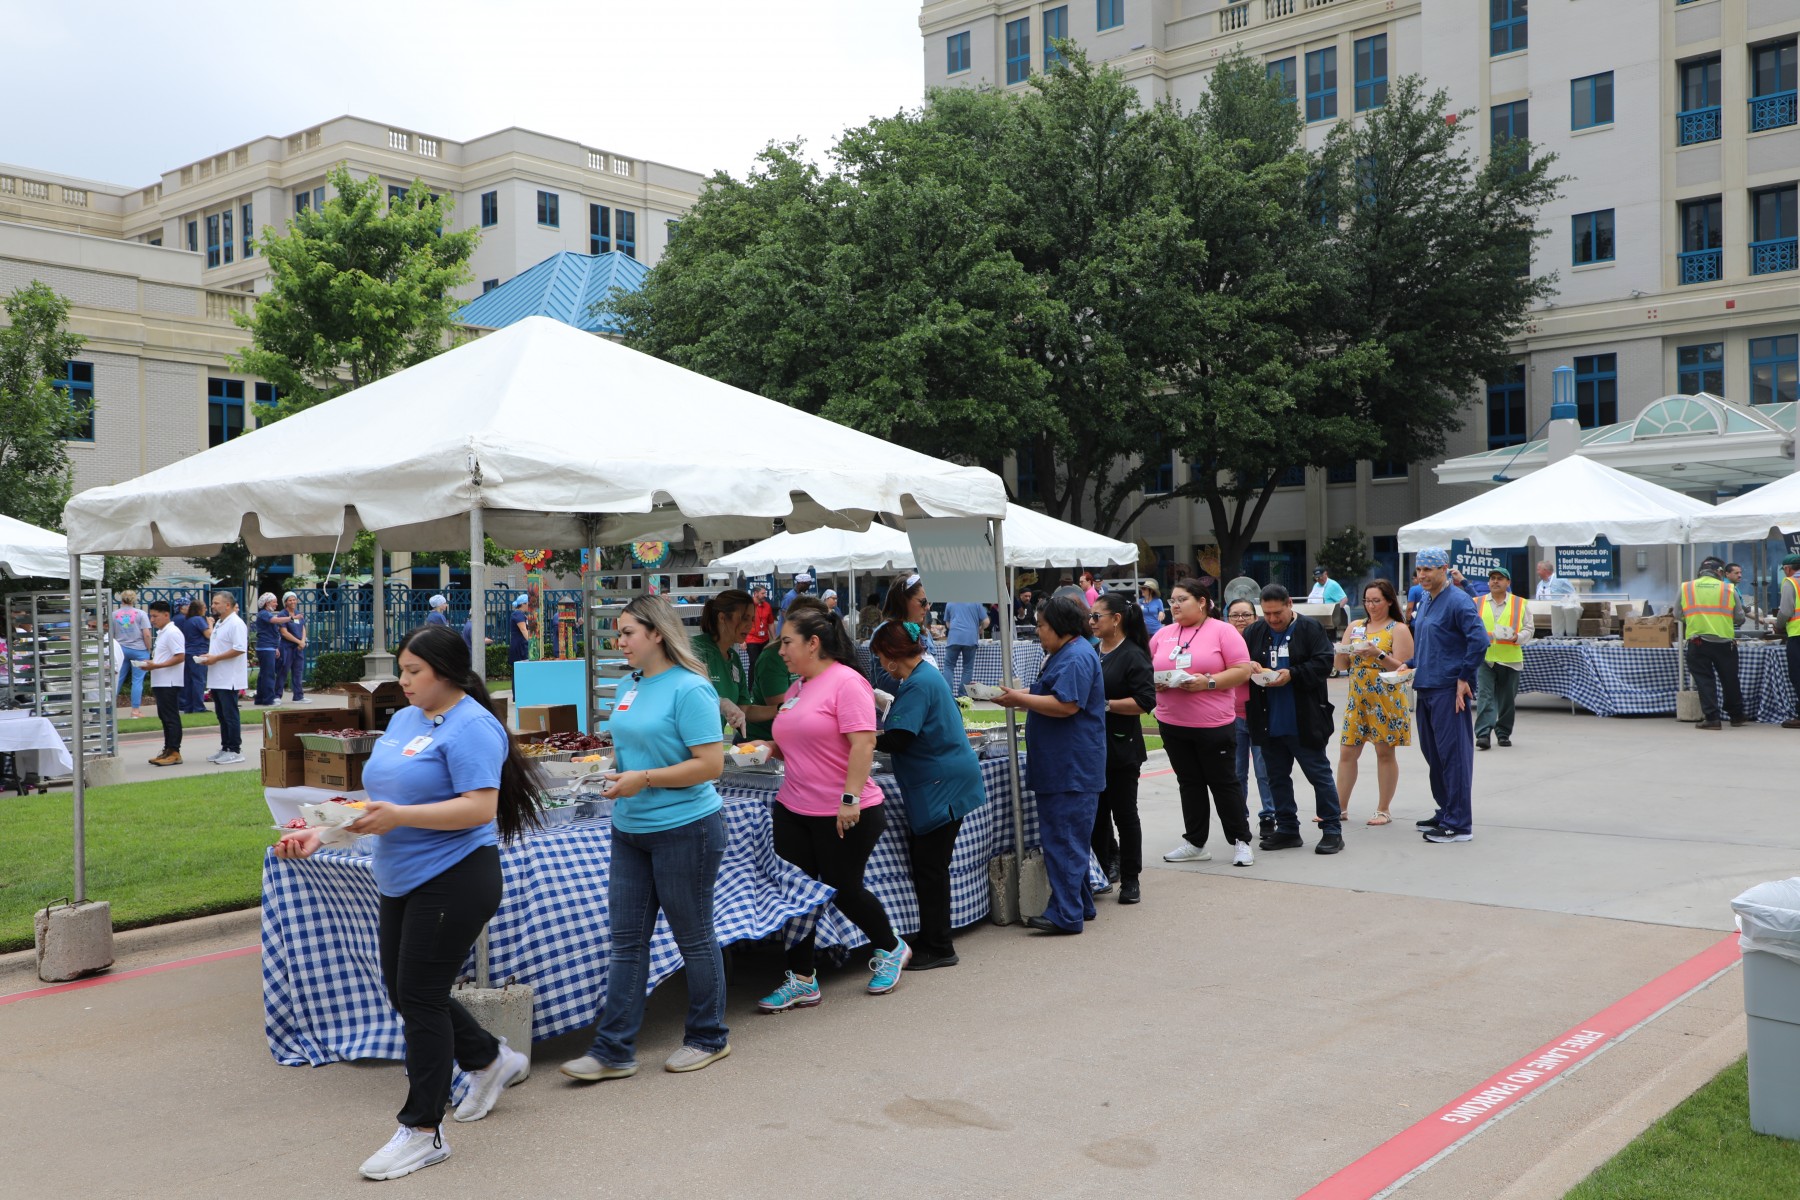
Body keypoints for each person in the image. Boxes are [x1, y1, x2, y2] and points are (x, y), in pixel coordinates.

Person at [274, 624, 543, 1180]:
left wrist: (400, 817)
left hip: (456, 876)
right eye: (402, 670)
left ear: (447, 672)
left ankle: (423, 1130)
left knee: (418, 996)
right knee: (405, 990)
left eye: (413, 671)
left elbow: (477, 809)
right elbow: (382, 800)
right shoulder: (403, 719)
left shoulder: (474, 727)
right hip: (401, 875)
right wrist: (321, 832)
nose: (403, 681)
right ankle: (490, 1060)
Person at [560, 594, 732, 1086]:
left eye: (627, 632)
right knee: (626, 943)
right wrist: (607, 772)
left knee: (693, 937)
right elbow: (631, 751)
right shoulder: (628, 685)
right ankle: (613, 1050)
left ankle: (708, 1037)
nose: (620, 642)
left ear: (657, 633)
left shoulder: (691, 689)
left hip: (686, 829)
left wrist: (646, 779)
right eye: (618, 633)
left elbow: (710, 766)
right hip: (630, 828)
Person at [755, 604, 910, 1012]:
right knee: (797, 893)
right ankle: (802, 979)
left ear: (814, 642)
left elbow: (864, 743)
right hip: (793, 807)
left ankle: (892, 947)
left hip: (846, 810)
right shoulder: (799, 687)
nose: (780, 651)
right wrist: (766, 748)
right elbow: (794, 737)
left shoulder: (848, 682)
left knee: (844, 889)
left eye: (786, 642)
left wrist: (849, 800)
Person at [870, 620, 987, 967]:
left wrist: (858, 736)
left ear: (892, 656)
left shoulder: (919, 684)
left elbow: (899, 739)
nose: (879, 664)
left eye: (879, 656)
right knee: (930, 865)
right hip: (945, 780)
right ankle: (933, 937)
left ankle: (939, 946)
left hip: (943, 784)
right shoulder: (922, 677)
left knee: (931, 867)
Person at [997, 596, 1106, 933]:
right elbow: (1054, 693)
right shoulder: (1067, 652)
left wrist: (1019, 700)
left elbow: (1066, 705)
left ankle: (1066, 913)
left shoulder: (1075, 656)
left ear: (1060, 627)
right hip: (1064, 763)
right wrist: (1022, 695)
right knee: (1069, 839)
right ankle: (1080, 904)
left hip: (1070, 766)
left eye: (1042, 625)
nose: (1039, 631)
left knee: (1064, 841)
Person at [1152, 578, 1256, 867]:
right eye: (1171, 599)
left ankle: (1241, 840)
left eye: (1181, 599)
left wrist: (1208, 682)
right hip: (1172, 723)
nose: (1174, 605)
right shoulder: (1164, 634)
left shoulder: (1223, 631)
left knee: (1224, 783)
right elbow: (1148, 668)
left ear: (1201, 602)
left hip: (1213, 725)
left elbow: (1242, 670)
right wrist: (1157, 683)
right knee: (1189, 783)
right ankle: (1195, 842)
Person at [1242, 585, 1343, 855]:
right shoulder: (1255, 631)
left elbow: (1324, 663)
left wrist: (1293, 674)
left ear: (1289, 604)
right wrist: (1249, 665)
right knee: (1276, 778)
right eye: (1267, 613)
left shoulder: (1309, 629)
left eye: (1278, 612)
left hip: (1304, 719)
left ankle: (1332, 829)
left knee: (1319, 775)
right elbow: (1240, 661)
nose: (1273, 619)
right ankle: (1287, 829)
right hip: (1267, 719)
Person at [1404, 548, 1490, 843]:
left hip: (1447, 689)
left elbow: (1479, 640)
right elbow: (1433, 641)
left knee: (1454, 757)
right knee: (1435, 756)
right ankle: (1445, 811)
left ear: (1444, 569)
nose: (1423, 575)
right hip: (1426, 686)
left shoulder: (1457, 600)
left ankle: (1459, 823)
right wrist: (1410, 664)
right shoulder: (1427, 600)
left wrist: (1464, 676)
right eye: (1419, 570)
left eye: (1429, 569)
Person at [1088, 591, 1156, 904]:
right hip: (1092, 748)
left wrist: (1105, 705)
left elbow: (1144, 702)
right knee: (1098, 816)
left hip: (1121, 750)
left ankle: (1131, 879)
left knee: (1124, 816)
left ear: (1116, 620)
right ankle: (1102, 872)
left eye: (1096, 617)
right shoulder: (1093, 651)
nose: (1091, 622)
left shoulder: (1132, 654)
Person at [1334, 581, 1413, 826]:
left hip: (1385, 698)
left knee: (1384, 752)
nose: (1371, 606)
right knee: (1347, 751)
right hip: (1358, 698)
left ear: (1389, 601)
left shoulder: (1398, 628)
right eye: (1367, 601)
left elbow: (1403, 666)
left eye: (1376, 600)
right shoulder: (1356, 626)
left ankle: (1383, 809)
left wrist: (1377, 654)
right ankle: (1338, 807)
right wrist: (1342, 651)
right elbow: (1340, 666)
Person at [693, 589, 778, 739]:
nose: (750, 625)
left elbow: (744, 708)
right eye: (744, 618)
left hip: (709, 745)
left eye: (752, 619)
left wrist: (779, 709)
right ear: (722, 617)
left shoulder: (734, 659)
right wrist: (722, 703)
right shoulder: (695, 650)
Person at [1226, 599, 1275, 839]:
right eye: (1235, 615)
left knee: (1263, 769)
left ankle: (1269, 815)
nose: (1241, 619)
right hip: (1230, 715)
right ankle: (1239, 818)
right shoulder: (1223, 641)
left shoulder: (1263, 639)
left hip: (1258, 714)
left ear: (1256, 618)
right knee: (1236, 772)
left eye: (1246, 614)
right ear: (1228, 619)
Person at [1679, 555, 1747, 731]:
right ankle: (1736, 716)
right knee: (1730, 679)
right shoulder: (1728, 588)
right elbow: (1740, 617)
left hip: (1698, 641)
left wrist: (1696, 620)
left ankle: (1712, 718)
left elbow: (1677, 614)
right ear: (1719, 572)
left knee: (1704, 680)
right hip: (1725, 642)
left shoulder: (1686, 587)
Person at [1474, 568, 1531, 751]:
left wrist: (1518, 637)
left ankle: (1503, 733)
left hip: (1510, 659)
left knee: (1507, 700)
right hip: (1485, 657)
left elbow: (1529, 628)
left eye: (1500, 579)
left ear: (1508, 583)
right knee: (1485, 696)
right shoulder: (1477, 603)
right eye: (1492, 578)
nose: (1495, 581)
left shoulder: (1520, 603)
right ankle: (1483, 734)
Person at [195, 592, 248, 765]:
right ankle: (225, 747)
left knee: (230, 714)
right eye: (213, 603)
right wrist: (209, 657)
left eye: (217, 603)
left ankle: (235, 749)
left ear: (227, 605)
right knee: (222, 714)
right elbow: (219, 647)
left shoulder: (236, 623)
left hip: (229, 677)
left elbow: (239, 649)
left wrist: (215, 658)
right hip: (217, 676)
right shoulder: (219, 623)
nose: (213, 606)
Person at [868, 574, 937, 696]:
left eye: (929, 602)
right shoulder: (885, 633)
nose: (927, 607)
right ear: (903, 600)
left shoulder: (923, 632)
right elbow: (885, 684)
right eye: (923, 602)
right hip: (897, 710)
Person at [145, 601, 187, 767]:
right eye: (151, 616)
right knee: (164, 717)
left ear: (166, 615)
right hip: (161, 680)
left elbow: (180, 656)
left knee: (171, 717)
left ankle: (175, 751)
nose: (152, 620)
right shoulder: (163, 632)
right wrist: (151, 663)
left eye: (155, 616)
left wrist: (156, 665)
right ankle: (168, 749)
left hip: (169, 681)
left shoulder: (173, 632)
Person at [111, 590, 153, 718]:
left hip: (121, 649)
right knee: (137, 681)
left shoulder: (114, 614)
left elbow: (111, 634)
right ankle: (135, 710)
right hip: (139, 649)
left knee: (117, 679)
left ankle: (110, 709)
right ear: (134, 600)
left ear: (121, 599)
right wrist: (148, 649)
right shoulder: (141, 614)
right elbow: (146, 634)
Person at [942, 599, 987, 697]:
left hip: (954, 637)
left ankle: (947, 695)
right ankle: (963, 695)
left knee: (949, 667)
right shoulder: (977, 602)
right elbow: (986, 621)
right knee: (967, 668)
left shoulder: (950, 602)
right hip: (970, 638)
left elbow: (948, 624)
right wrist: (980, 628)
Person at [252, 592, 290, 706]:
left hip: (269, 647)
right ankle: (269, 699)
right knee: (268, 674)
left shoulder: (267, 614)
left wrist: (275, 648)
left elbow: (273, 631)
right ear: (267, 603)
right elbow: (275, 621)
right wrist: (291, 618)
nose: (276, 604)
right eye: (274, 602)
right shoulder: (264, 613)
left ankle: (260, 698)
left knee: (264, 674)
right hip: (265, 647)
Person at [176, 597, 212, 714]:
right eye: (204, 607)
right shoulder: (199, 620)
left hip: (188, 651)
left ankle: (189, 706)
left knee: (189, 680)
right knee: (199, 680)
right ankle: (199, 706)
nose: (206, 609)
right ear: (199, 609)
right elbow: (209, 635)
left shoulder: (188, 620)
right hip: (199, 652)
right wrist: (210, 623)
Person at [1777, 553, 1800, 730]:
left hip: (1798, 635)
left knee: (1798, 676)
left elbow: (1785, 611)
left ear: (1787, 568)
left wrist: (1778, 626)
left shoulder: (1790, 582)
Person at [278, 591, 308, 703]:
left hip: (299, 648)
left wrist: (303, 641)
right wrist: (298, 641)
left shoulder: (298, 613)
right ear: (285, 602)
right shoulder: (282, 615)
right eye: (290, 600)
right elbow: (284, 633)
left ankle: (298, 696)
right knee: (283, 671)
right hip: (287, 647)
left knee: (298, 672)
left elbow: (303, 628)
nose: (292, 602)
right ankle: (277, 696)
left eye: (294, 599)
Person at [773, 572, 814, 639]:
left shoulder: (799, 595)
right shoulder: (789, 597)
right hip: (785, 634)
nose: (808, 588)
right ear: (801, 583)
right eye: (807, 585)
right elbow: (785, 614)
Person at [745, 583, 775, 671]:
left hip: (764, 640)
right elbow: (741, 623)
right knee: (754, 663)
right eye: (763, 593)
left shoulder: (767, 606)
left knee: (764, 663)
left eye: (765, 593)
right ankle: (751, 685)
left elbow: (771, 623)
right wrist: (742, 641)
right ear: (756, 593)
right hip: (751, 639)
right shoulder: (748, 606)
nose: (765, 595)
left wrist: (774, 638)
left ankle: (762, 683)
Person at [507, 595, 531, 668]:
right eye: (528, 603)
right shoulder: (518, 614)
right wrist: (531, 643)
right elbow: (523, 630)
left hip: (521, 646)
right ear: (523, 604)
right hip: (519, 647)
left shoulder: (521, 614)